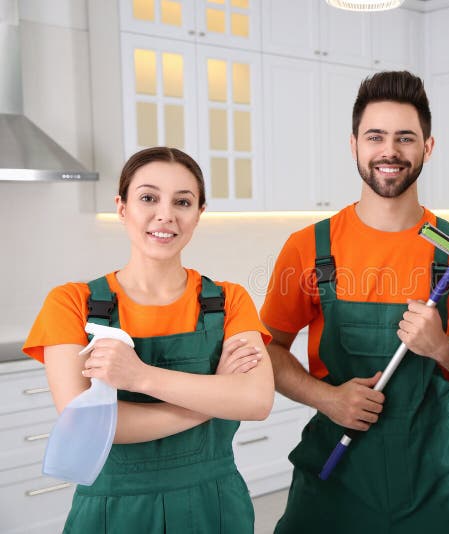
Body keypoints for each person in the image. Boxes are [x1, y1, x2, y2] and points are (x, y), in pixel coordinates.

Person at [260, 71, 449, 533]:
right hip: (336, 471)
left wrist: (444, 347)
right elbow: (268, 350)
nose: (390, 151)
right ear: (355, 146)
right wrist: (327, 398)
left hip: (437, 477)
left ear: (428, 147)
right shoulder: (308, 248)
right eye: (376, 136)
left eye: (405, 138)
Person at [23, 147, 275, 533]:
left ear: (199, 213)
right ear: (122, 207)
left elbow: (255, 402)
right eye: (148, 198)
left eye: (183, 202)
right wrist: (214, 399)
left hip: (215, 507)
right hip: (113, 512)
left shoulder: (229, 301)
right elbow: (87, 427)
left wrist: (139, 377)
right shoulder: (73, 303)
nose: (166, 214)